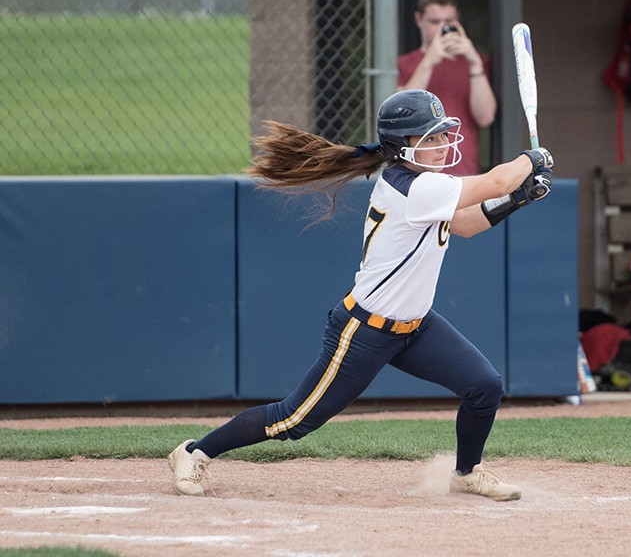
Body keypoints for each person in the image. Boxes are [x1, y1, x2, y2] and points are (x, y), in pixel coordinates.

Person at [167, 89, 554, 501]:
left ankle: (466, 472)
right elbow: (496, 179)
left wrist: (518, 197)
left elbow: (465, 225)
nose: (442, 145)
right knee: (293, 420)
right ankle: (194, 451)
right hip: (365, 331)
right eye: (431, 138)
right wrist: (530, 161)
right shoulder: (415, 188)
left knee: (484, 386)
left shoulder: (427, 186)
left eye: (442, 136)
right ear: (403, 147)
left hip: (417, 328)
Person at [398, 0, 497, 176]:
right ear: (419, 20)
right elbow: (402, 112)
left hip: (463, 171)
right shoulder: (404, 64)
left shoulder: (476, 62)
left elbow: (485, 117)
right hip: (418, 173)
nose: (443, 28)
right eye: (435, 22)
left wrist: (474, 62)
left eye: (449, 21)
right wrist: (429, 61)